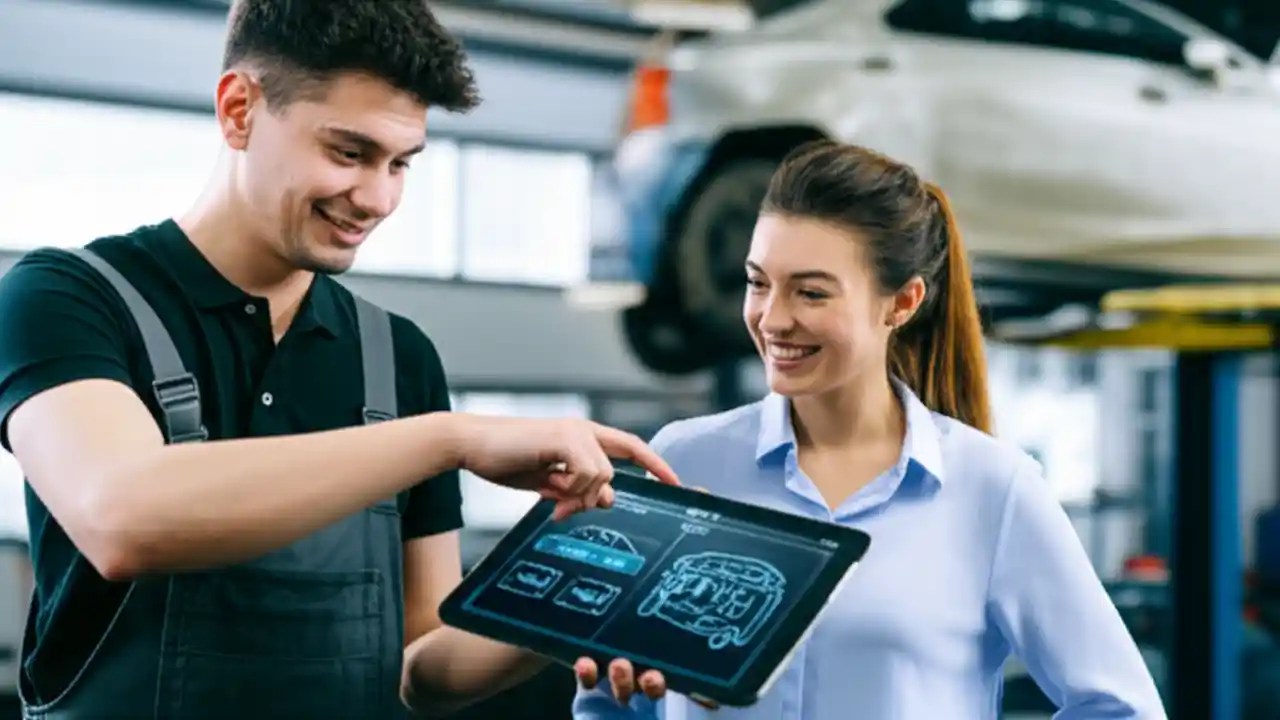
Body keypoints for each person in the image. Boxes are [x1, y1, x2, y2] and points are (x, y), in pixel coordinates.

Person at [0, 1, 678, 718]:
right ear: (238, 110)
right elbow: (123, 518)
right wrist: (450, 439)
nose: (378, 198)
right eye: (349, 153)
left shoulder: (399, 358)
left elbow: (420, 666)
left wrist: (574, 606)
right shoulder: (65, 299)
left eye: (401, 163)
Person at [571, 141, 1166, 719]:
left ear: (902, 303)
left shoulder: (993, 488)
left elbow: (1121, 708)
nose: (772, 318)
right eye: (757, 283)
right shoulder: (684, 460)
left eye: (810, 292)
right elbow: (608, 703)